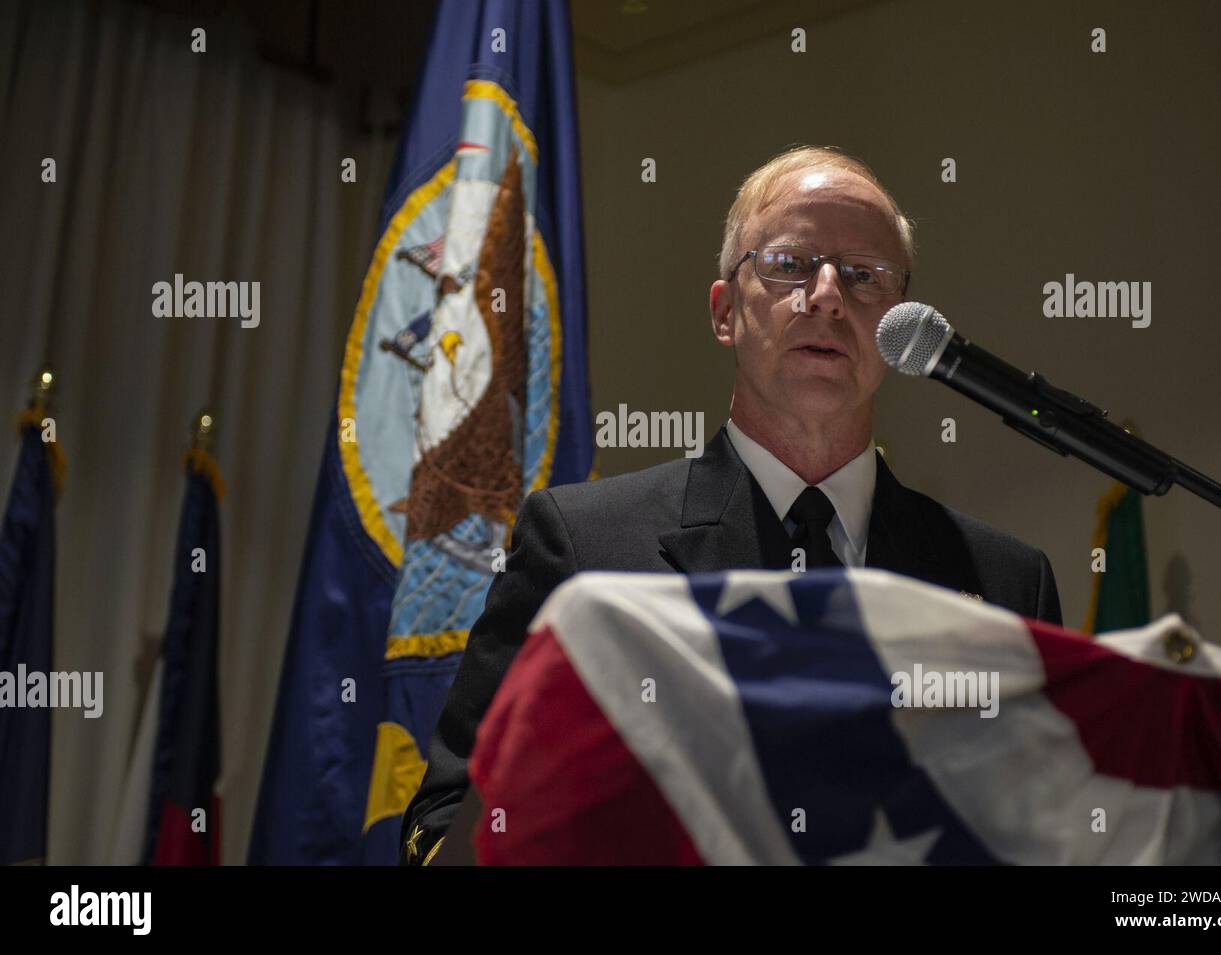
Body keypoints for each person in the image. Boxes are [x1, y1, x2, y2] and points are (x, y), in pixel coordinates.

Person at [399, 144, 1062, 864]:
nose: (828, 295)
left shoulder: (1005, 584)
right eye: (790, 265)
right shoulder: (585, 549)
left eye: (864, 275)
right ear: (725, 312)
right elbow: (444, 824)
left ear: (900, 327)